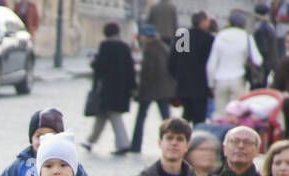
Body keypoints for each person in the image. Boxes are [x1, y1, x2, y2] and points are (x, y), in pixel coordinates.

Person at [83, 23, 135, 154]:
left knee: (114, 115)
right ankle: (90, 141)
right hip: (121, 89)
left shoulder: (106, 46)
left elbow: (100, 65)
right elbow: (131, 69)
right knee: (102, 116)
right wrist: (133, 87)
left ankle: (123, 144)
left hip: (107, 89)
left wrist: (92, 61)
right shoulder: (125, 47)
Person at [129, 24, 174, 155]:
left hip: (150, 89)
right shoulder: (164, 47)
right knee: (167, 120)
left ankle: (136, 145)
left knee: (141, 117)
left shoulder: (149, 49)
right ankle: (172, 142)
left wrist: (140, 91)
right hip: (164, 89)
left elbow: (147, 73)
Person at [207, 11, 262, 113]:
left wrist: (210, 84)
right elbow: (258, 60)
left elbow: (211, 64)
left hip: (220, 79)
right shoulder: (246, 37)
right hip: (238, 78)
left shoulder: (220, 36)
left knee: (220, 113)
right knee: (236, 114)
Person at [171, 12, 215, 124]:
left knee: (186, 115)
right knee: (199, 118)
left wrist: (177, 77)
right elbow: (210, 63)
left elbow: (173, 59)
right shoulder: (208, 39)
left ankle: (182, 135)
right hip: (200, 85)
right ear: (203, 21)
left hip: (184, 84)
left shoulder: (183, 36)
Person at [253, 4, 280, 85]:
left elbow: (262, 48)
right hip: (271, 60)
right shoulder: (269, 26)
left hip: (264, 62)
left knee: (260, 84)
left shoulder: (261, 28)